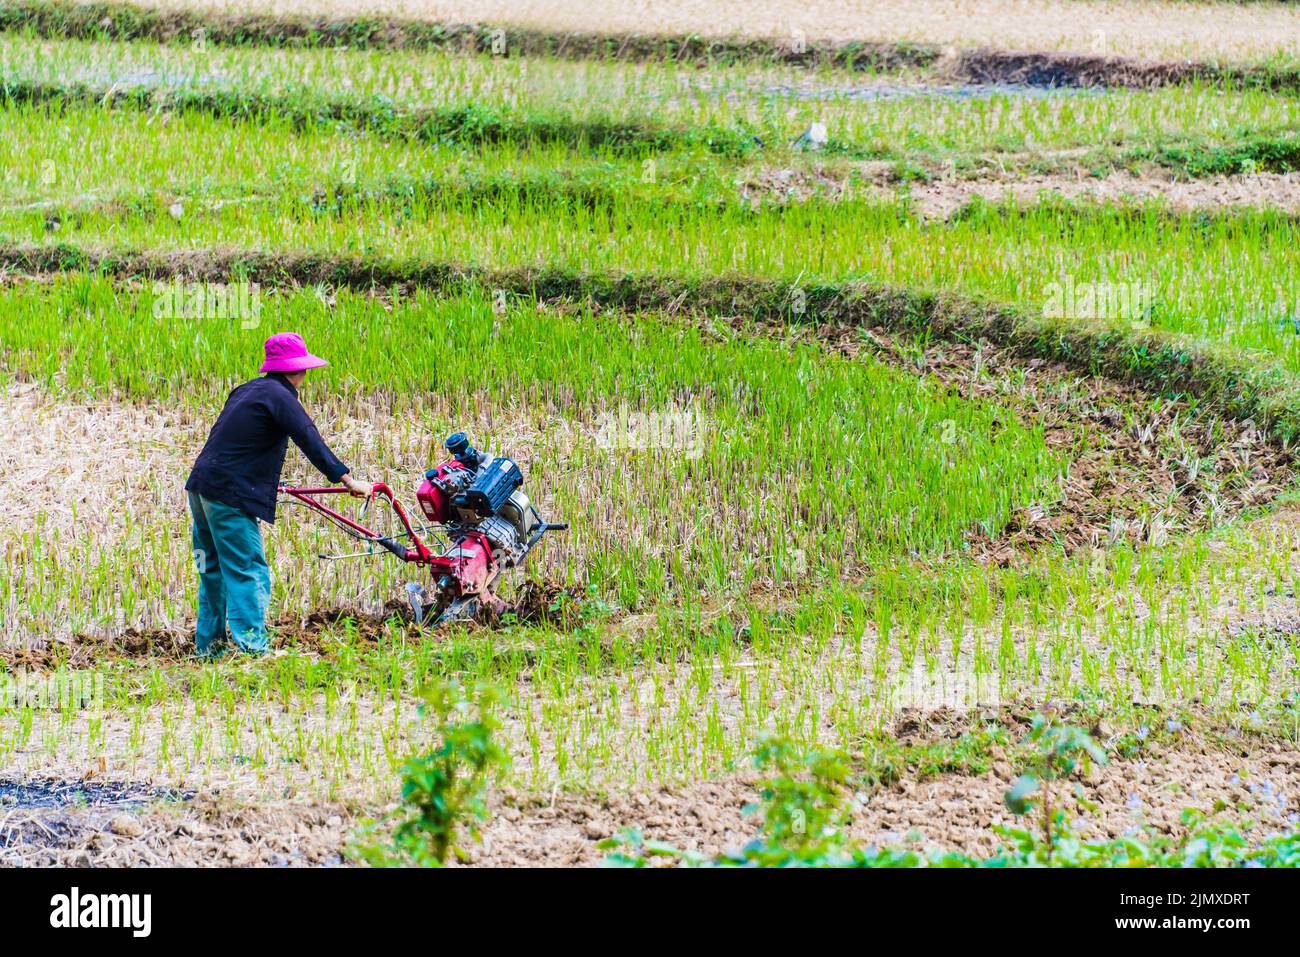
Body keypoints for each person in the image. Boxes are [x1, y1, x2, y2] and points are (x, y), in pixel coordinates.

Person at [185, 332, 368, 656]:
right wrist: (345, 478)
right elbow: (308, 437)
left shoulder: (248, 390)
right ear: (299, 369)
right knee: (248, 569)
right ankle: (254, 650)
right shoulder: (281, 396)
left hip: (201, 488)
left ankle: (209, 649)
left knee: (212, 569)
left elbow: (236, 442)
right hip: (228, 495)